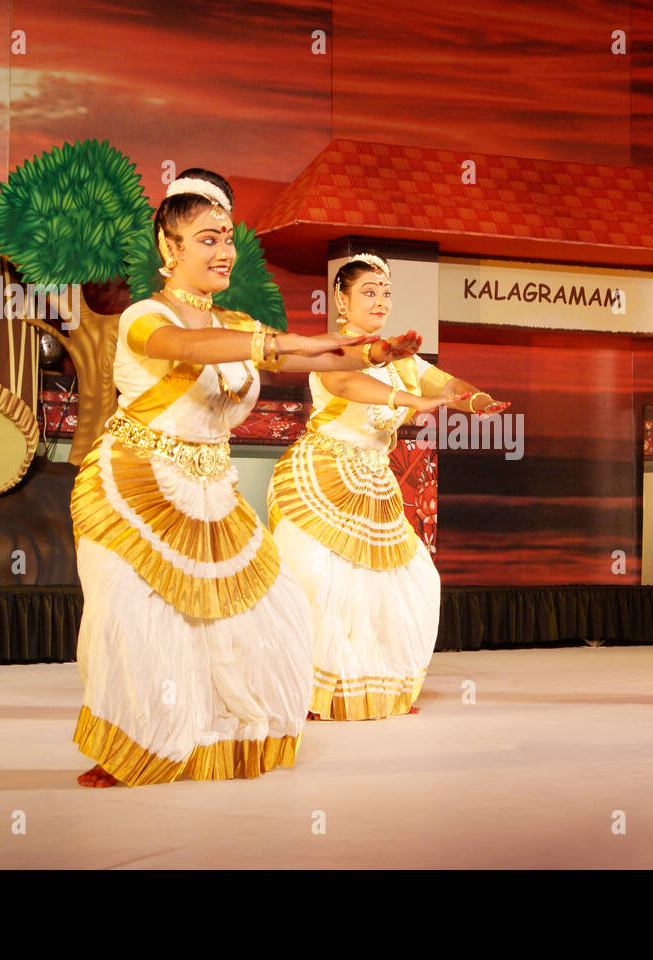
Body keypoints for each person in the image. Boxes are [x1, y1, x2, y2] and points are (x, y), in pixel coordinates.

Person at [70, 171, 421, 786]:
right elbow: (193, 346)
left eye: (228, 238)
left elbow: (297, 354)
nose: (224, 251)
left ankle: (210, 737)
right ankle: (135, 745)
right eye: (207, 239)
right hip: (137, 482)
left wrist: (372, 352)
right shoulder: (144, 317)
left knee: (259, 611)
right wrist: (284, 342)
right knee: (136, 615)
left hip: (210, 489)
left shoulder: (235, 320)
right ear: (169, 246)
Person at [267, 253, 510, 721]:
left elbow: (445, 384)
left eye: (386, 293)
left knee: (408, 582)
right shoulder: (331, 349)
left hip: (374, 479)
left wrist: (476, 400)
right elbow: (346, 384)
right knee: (321, 580)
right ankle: (309, 691)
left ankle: (374, 684)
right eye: (368, 292)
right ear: (341, 300)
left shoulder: (402, 360)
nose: (380, 301)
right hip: (324, 474)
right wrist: (410, 399)